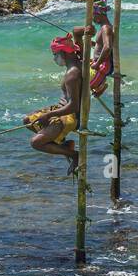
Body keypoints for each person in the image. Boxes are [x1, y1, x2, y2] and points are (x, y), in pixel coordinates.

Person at [25, 33, 85, 176]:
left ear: (64, 52)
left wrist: (49, 115)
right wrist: (86, 30)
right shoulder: (78, 60)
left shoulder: (72, 75)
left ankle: (74, 154)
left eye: (55, 54)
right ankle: (63, 144)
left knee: (36, 143)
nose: (54, 58)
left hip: (70, 117)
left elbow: (74, 106)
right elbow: (77, 31)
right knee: (28, 120)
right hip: (61, 109)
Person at [89, 0, 115, 96]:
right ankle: (100, 84)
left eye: (93, 15)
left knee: (84, 87)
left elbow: (107, 47)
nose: (92, 18)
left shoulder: (105, 28)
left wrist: (97, 63)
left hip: (102, 65)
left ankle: (101, 86)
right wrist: (94, 44)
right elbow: (103, 45)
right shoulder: (104, 28)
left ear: (99, 14)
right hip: (99, 64)